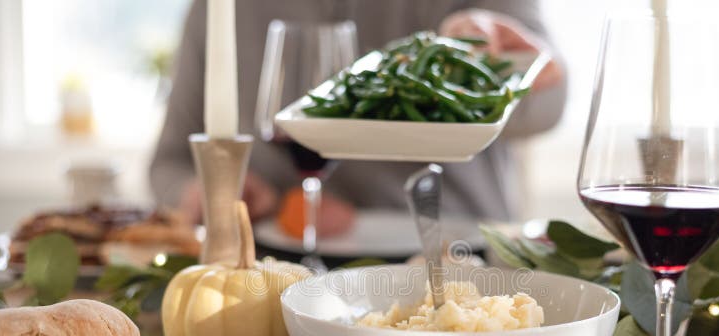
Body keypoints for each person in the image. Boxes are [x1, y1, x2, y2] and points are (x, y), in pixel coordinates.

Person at [150, 0, 566, 226]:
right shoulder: (218, 9)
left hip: (454, 257)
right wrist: (204, 192)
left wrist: (491, 58)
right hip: (281, 269)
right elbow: (169, 163)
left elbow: (550, 102)